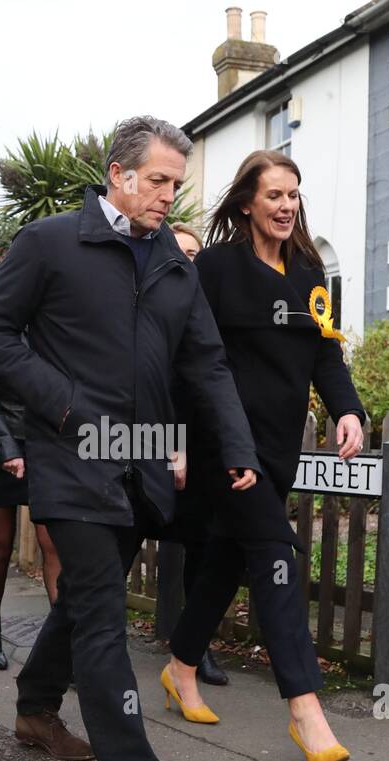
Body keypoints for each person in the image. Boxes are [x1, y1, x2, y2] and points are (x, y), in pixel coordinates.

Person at [0, 116, 261, 761]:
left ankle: (36, 706)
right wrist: (61, 404)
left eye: (176, 185)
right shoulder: (50, 243)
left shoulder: (171, 261)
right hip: (70, 462)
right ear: (118, 174)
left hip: (142, 466)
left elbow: (207, 362)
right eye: (158, 181)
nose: (168, 197)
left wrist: (237, 444)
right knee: (102, 616)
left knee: (84, 602)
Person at [166, 149, 366, 761]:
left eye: (293, 195)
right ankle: (305, 710)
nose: (286, 206)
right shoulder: (217, 270)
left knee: (227, 561)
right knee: (275, 556)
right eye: (275, 195)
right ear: (248, 202)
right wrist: (175, 438)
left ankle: (178, 666)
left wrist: (348, 410)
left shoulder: (309, 271)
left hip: (277, 445)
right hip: (227, 445)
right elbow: (185, 356)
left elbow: (326, 354)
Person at [160, 222, 229, 686]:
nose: (190, 261)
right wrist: (170, 444)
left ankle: (193, 648)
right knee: (121, 545)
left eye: (196, 254)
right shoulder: (153, 309)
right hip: (156, 444)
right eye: (182, 252)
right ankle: (87, 646)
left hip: (203, 449)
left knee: (202, 547)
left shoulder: (207, 310)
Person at [0, 355, 61, 669]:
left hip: (44, 447)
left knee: (54, 545)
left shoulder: (56, 324)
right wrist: (7, 448)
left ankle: (63, 646)